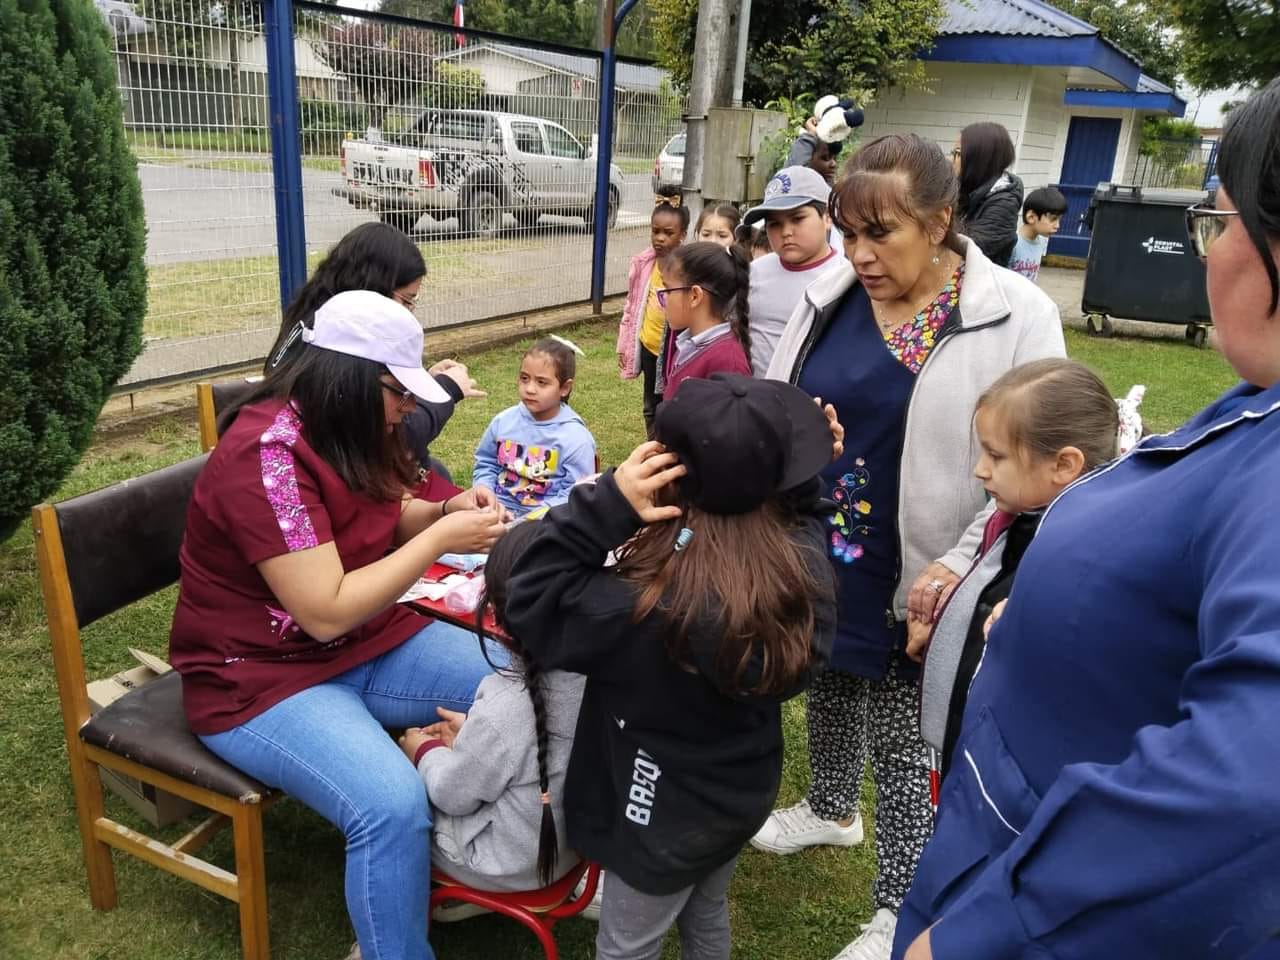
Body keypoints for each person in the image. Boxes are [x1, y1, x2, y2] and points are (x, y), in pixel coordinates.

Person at [893, 76, 1280, 960]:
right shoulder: (1256, 400)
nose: (1207, 250)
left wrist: (998, 927)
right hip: (1002, 843)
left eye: (1216, 221)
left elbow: (1253, 782)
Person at [757, 132, 1065, 960]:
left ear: (938, 221)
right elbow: (784, 403)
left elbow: (1035, 468)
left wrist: (959, 567)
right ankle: (828, 808)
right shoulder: (831, 292)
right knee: (827, 681)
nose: (858, 254)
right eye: (848, 233)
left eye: (879, 234)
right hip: (828, 548)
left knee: (905, 740)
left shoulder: (1013, 313)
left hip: (927, 567)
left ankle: (899, 903)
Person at [170, 289, 509, 960]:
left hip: (364, 639)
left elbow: (391, 513)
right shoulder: (265, 457)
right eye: (398, 391)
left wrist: (442, 513)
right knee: (388, 807)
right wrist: (441, 540)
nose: (410, 407)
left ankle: (471, 861)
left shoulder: (355, 426)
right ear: (349, 377)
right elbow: (323, 611)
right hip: (257, 679)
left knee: (517, 682)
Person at [503, 374, 839, 960]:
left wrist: (606, 504)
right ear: (776, 483)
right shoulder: (804, 571)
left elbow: (527, 592)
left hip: (652, 819)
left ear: (667, 473)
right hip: (738, 795)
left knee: (627, 945)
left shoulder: (636, 606)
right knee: (705, 909)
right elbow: (808, 517)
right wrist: (799, 477)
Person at [913, 359, 1119, 779]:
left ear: (1063, 465)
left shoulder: (1071, 559)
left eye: (996, 455)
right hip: (970, 750)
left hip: (1004, 775)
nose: (980, 469)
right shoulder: (1015, 523)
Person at [398, 520, 586, 892]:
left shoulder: (505, 708)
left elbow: (452, 795)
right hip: (567, 852)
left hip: (501, 865)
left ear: (497, 615)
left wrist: (425, 751)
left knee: (394, 800)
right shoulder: (594, 675)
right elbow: (523, 756)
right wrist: (469, 736)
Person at [264, 222, 486, 490]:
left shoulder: (315, 323)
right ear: (373, 286)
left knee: (437, 478)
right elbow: (389, 436)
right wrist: (448, 389)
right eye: (405, 300)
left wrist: (413, 382)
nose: (408, 313)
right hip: (347, 479)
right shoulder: (338, 350)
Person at [473, 337, 597, 518]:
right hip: (494, 511)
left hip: (544, 524)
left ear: (564, 388)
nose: (530, 388)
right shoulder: (503, 422)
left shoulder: (576, 439)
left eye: (541, 382)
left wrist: (525, 522)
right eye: (524, 379)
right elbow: (486, 463)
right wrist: (484, 490)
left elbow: (573, 494)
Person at [744, 166, 848, 376]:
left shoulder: (845, 279)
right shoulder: (754, 272)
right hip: (754, 399)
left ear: (828, 217)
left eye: (798, 219)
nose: (786, 232)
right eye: (774, 224)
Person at [618, 185, 689, 439]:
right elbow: (632, 305)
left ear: (682, 235)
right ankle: (653, 444)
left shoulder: (688, 269)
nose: (660, 238)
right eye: (655, 231)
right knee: (650, 404)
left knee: (670, 402)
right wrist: (623, 344)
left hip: (674, 352)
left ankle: (670, 447)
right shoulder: (643, 264)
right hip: (649, 348)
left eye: (668, 233)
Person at [656, 241, 753, 401]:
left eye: (667, 291)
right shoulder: (688, 344)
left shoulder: (727, 363)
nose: (662, 300)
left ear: (695, 296)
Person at [952, 122, 1023, 268]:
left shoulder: (1004, 203)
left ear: (978, 159)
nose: (952, 159)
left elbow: (968, 248)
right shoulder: (967, 187)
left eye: (958, 153)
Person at [1008, 186, 1068, 282]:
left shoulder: (1042, 241)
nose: (1057, 226)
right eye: (1053, 219)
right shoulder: (1011, 243)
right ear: (1031, 217)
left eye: (1059, 220)